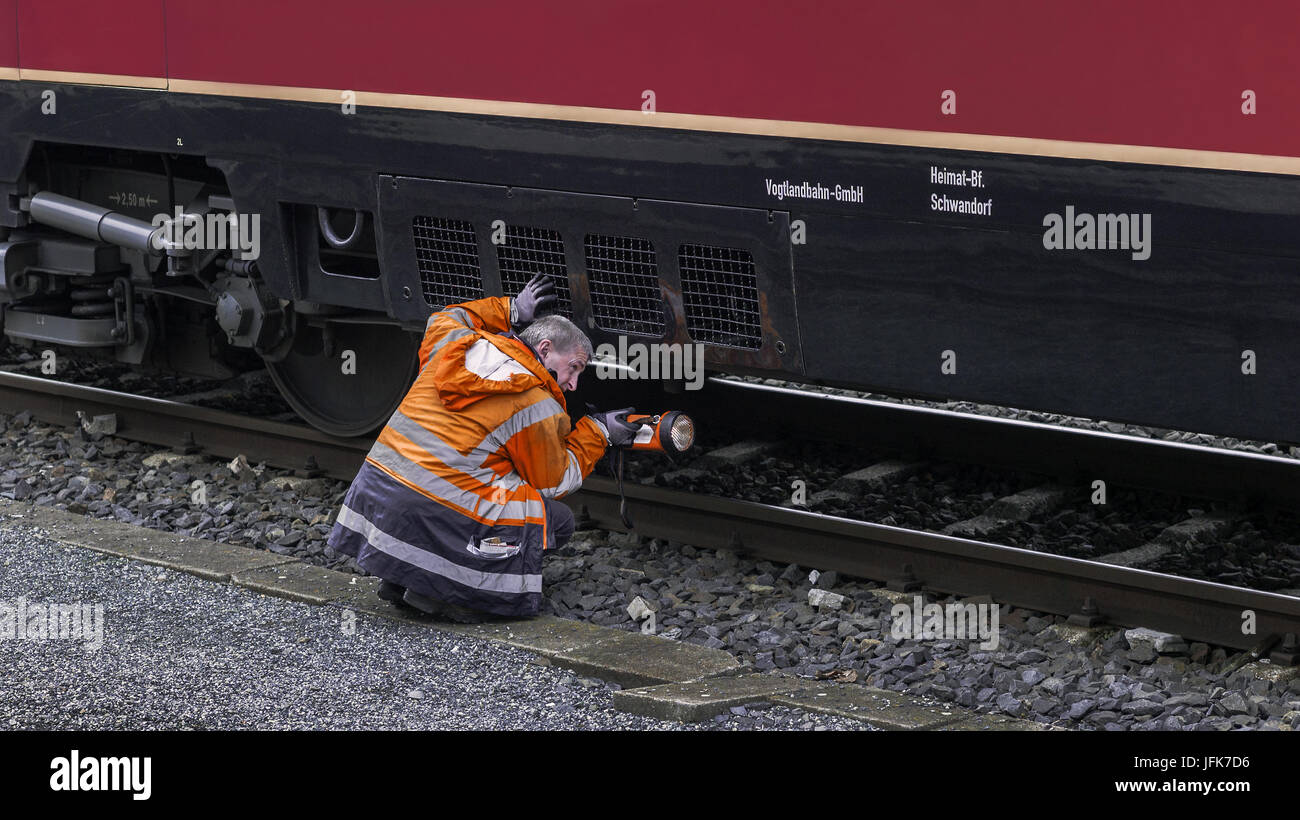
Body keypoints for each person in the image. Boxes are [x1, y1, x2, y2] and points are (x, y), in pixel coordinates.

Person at [326, 274, 638, 622]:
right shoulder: (535, 403)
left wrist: (510, 310)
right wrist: (598, 432)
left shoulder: (456, 343)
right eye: (574, 368)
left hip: (379, 496)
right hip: (430, 513)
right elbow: (554, 480)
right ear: (546, 349)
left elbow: (444, 317)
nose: (574, 383)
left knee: (477, 475)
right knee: (556, 521)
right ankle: (449, 592)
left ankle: (402, 578)